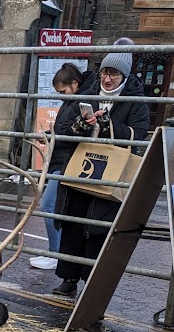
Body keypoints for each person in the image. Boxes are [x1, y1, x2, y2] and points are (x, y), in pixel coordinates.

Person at [52, 42, 149, 297]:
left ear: (123, 76)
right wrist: (79, 126)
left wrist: (109, 124)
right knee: (73, 223)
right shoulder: (88, 91)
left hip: (111, 172)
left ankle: (90, 283)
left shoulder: (136, 101)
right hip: (82, 165)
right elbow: (62, 129)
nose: (107, 78)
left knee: (98, 228)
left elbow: (138, 136)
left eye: (113, 74)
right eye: (104, 72)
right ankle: (68, 278)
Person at [28, 62, 87, 270]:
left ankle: (57, 254)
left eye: (63, 90)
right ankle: (56, 253)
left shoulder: (80, 101)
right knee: (52, 206)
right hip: (61, 160)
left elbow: (73, 133)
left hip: (67, 162)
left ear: (74, 83)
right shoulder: (72, 101)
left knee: (49, 205)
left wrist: (56, 136)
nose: (61, 95)